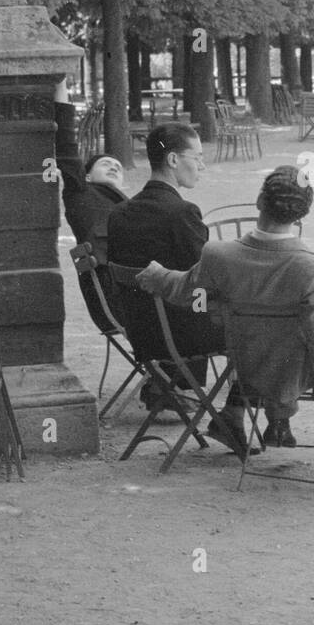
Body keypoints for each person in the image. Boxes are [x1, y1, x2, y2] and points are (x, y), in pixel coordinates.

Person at [135, 166, 314, 454]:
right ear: (301, 215)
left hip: (245, 362)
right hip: (294, 370)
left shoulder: (218, 255)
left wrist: (157, 275)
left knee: (267, 330)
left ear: (259, 201)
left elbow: (187, 293)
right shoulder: (312, 268)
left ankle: (256, 416)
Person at [106, 122, 229, 419]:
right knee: (255, 319)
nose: (203, 166)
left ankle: (168, 387)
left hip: (141, 334)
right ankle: (237, 413)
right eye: (197, 157)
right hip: (182, 334)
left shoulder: (119, 214)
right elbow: (205, 282)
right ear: (173, 160)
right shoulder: (183, 213)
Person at [54, 84, 128, 326]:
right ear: (86, 176)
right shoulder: (81, 192)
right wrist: (60, 85)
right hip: (116, 298)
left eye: (118, 167)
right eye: (106, 164)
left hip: (136, 291)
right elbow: (66, 144)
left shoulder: (131, 205)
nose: (114, 167)